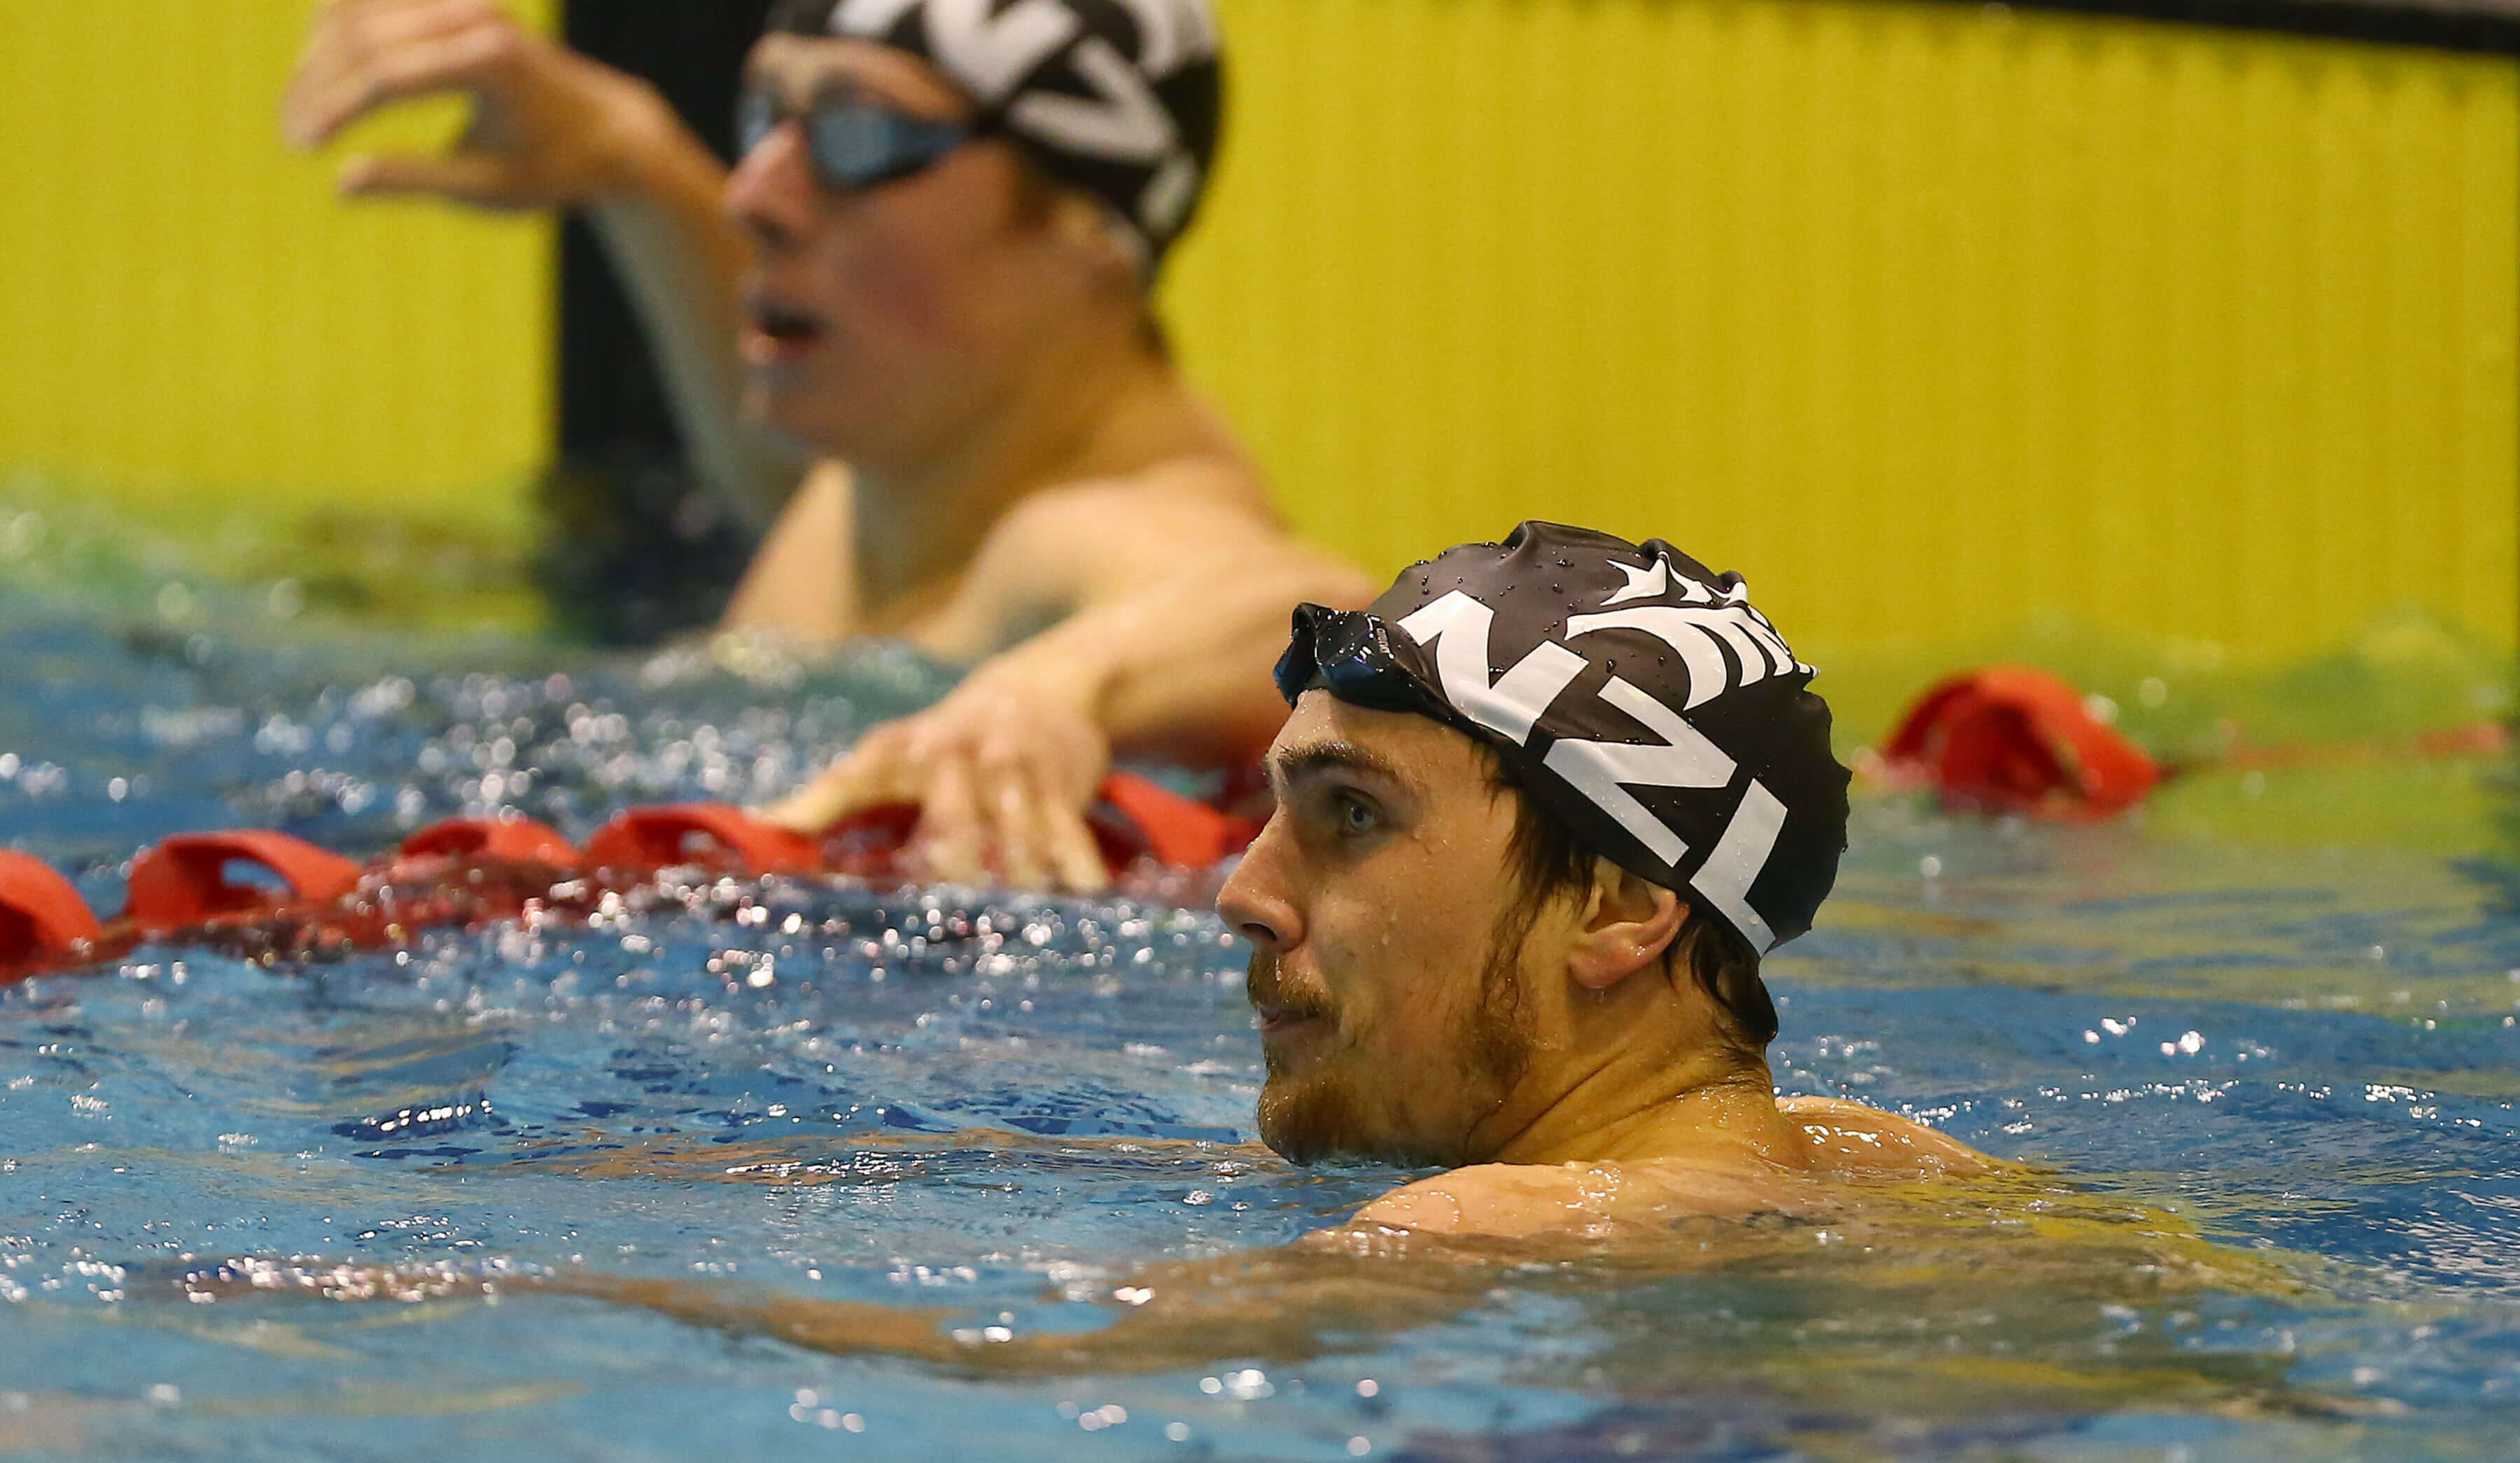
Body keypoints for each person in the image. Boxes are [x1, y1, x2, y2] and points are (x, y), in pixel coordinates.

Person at [465, 524, 2261, 1366]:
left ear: (1626, 906)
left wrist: (521, 1286)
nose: (1240, 891)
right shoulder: (1895, 1170)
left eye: (1350, 815)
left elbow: (1001, 1356)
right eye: (1270, 811)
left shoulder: (1478, 1226)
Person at [279, 0, 1370, 889]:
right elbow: (764, 459)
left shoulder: (1092, 536)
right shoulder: (899, 475)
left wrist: (1060, 686)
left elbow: (1317, 609)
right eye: (769, 115)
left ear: (1088, 220)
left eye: (860, 133)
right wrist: (635, 164)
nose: (754, 195)